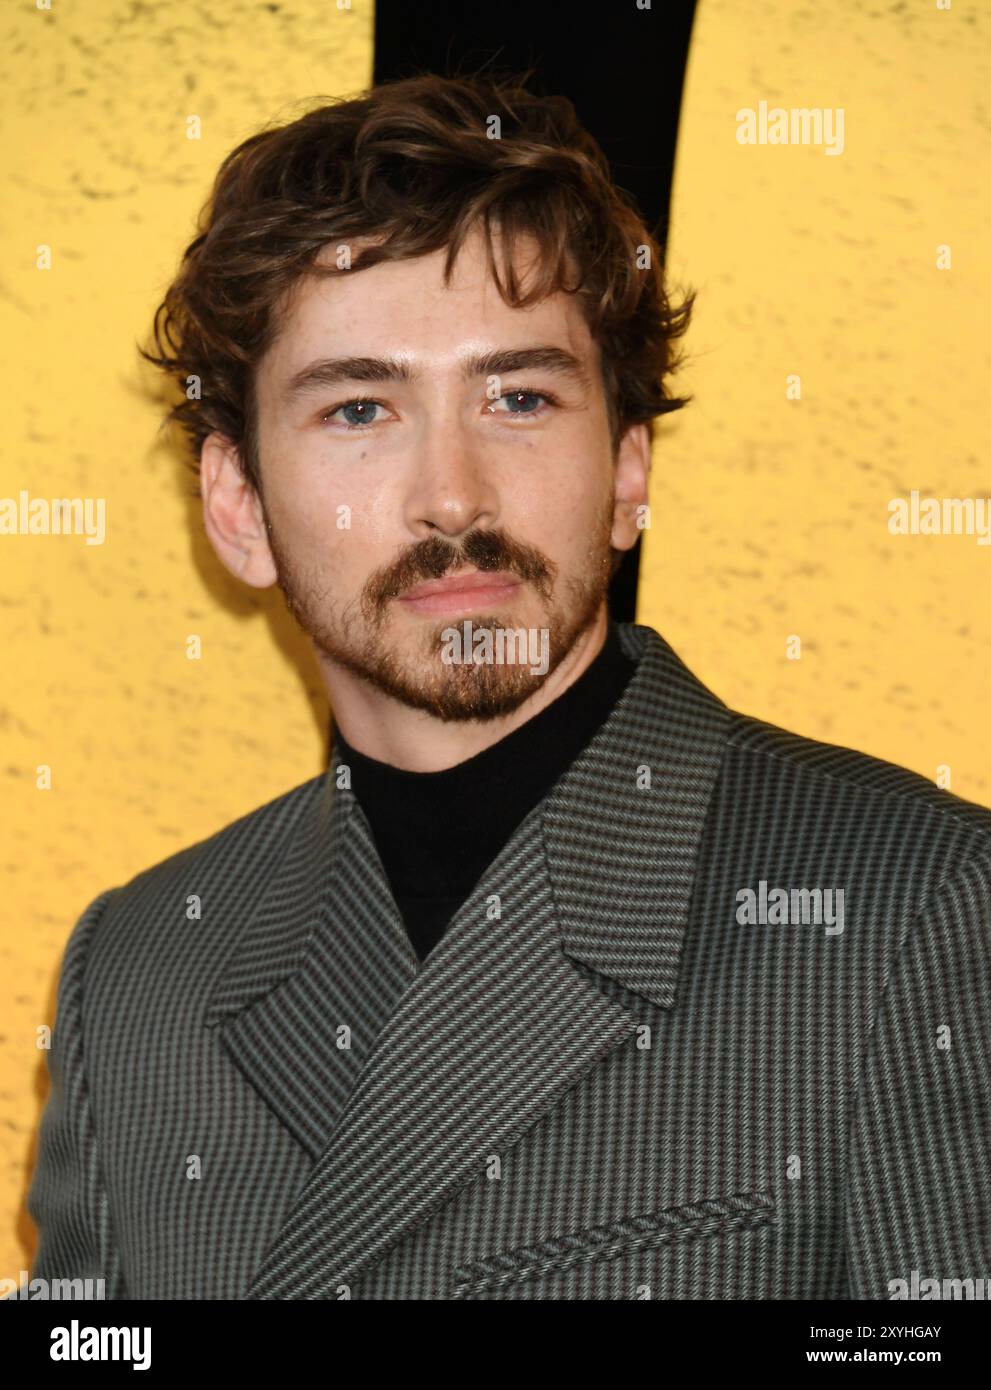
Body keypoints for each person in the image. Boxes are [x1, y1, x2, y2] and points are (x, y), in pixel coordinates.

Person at [26, 72, 991, 1301]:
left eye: (519, 398)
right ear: (239, 506)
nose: (455, 494)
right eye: (362, 407)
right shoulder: (139, 970)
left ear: (628, 472)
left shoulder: (921, 910)